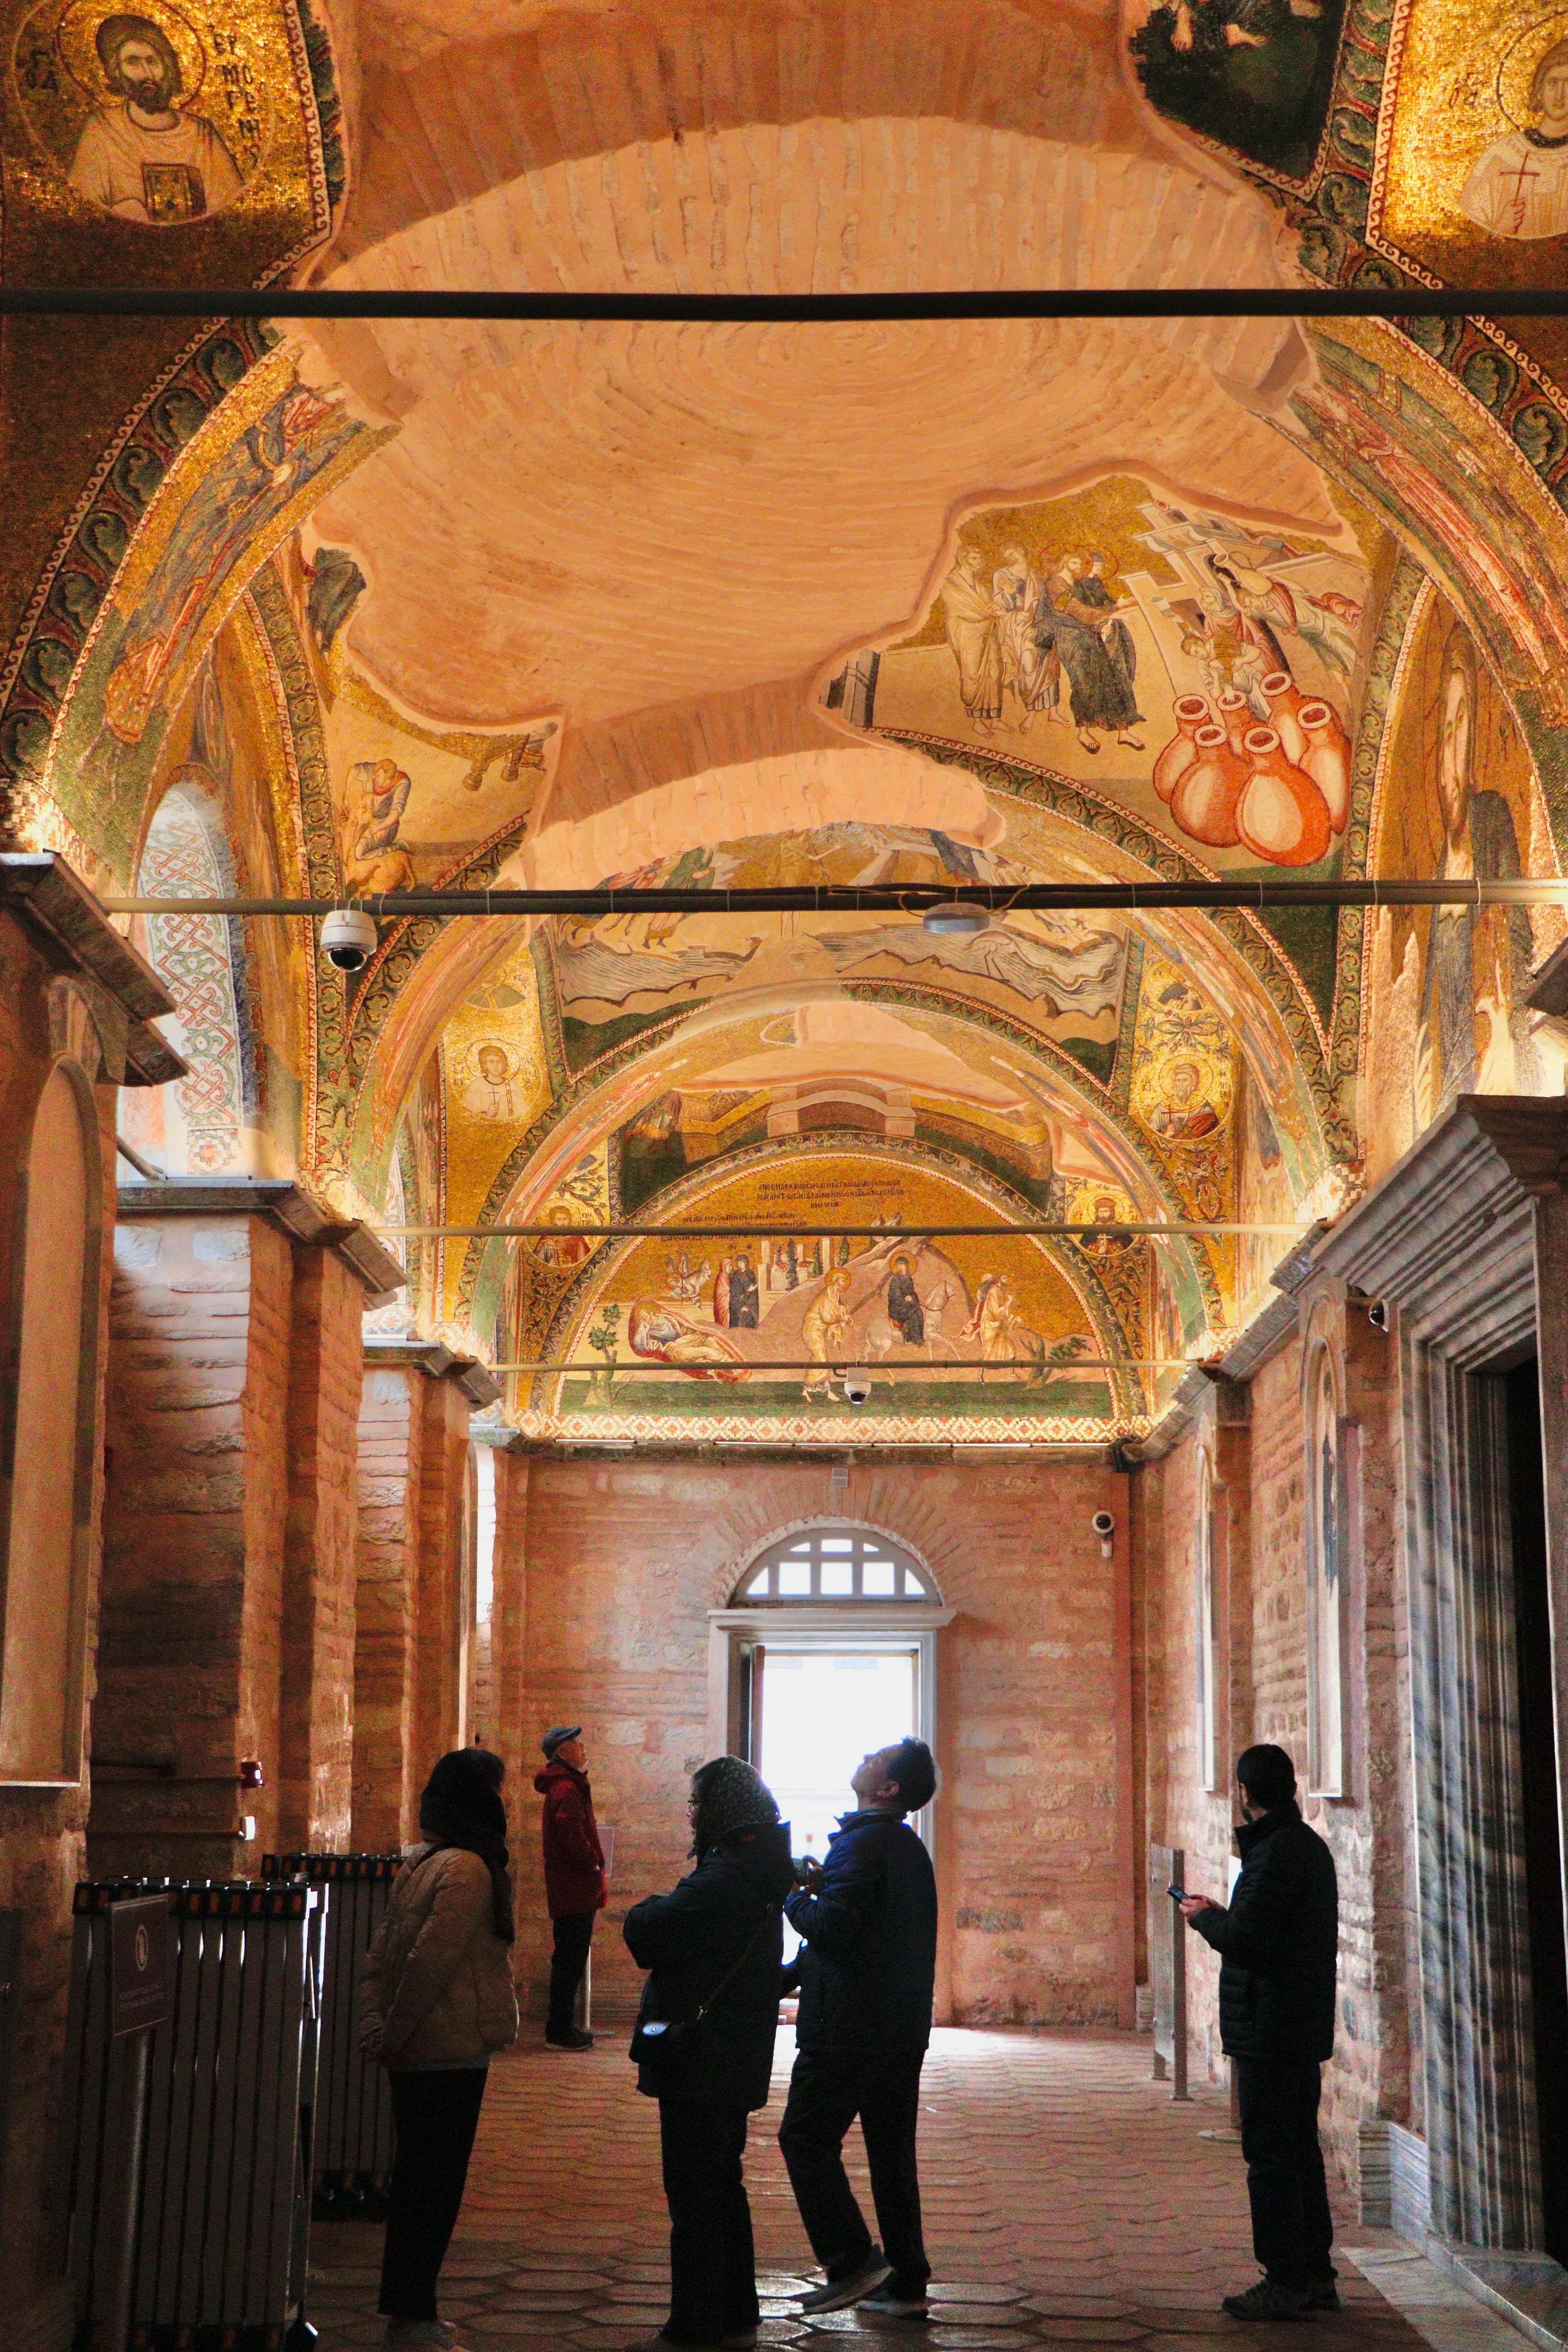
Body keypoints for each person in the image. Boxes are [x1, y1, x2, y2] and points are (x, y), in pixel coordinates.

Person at [622, 1757, 796, 2351]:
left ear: (722, 1811)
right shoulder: (758, 1869)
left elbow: (648, 1931)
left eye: (697, 1804)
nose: (691, 1815)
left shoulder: (726, 1877)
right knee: (722, 2183)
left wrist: (644, 1907)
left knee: (694, 2190)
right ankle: (735, 2309)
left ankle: (695, 2322)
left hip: (704, 2057)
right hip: (732, 2051)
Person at [361, 1748, 520, 2349]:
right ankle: (413, 2313)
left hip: (423, 2044)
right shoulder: (469, 1870)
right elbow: (427, 1961)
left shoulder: (424, 1860)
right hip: (446, 2047)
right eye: (496, 1790)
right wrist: (392, 2031)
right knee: (434, 2185)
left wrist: (380, 2024)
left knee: (418, 2180)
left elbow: (382, 1954)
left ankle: (410, 2306)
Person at [778, 1737, 939, 2319]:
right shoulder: (902, 1846)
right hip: (898, 2025)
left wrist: (792, 1894)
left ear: (889, 1788)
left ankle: (851, 2263)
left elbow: (835, 1930)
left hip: (847, 2027)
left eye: (880, 1756)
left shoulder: (863, 1848)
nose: (868, 1755)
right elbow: (865, 1931)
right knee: (891, 2151)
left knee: (804, 2138)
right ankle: (908, 2278)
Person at [1178, 1743, 1339, 2321]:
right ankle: (1316, 2272)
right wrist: (1227, 1915)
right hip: (1295, 2021)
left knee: (1272, 2155)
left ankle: (1285, 2278)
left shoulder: (1274, 1856)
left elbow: (1249, 1941)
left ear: (1245, 1794)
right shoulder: (1304, 1848)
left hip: (1271, 2024)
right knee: (1300, 2150)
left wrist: (1205, 1918)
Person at [67, 14, 243, 223]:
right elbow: (81, 207)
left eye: (153, 62)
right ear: (117, 71)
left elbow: (232, 207)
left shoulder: (200, 132)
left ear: (168, 68)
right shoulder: (104, 128)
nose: (146, 73)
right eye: (133, 63)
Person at [535, 1726, 608, 2049]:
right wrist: (591, 1862)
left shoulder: (568, 1785)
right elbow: (570, 1833)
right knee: (569, 1961)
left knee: (570, 1958)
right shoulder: (566, 1788)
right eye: (576, 1744)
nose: (583, 1747)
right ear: (563, 1753)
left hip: (573, 1887)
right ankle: (559, 2030)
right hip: (574, 1887)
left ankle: (563, 2027)